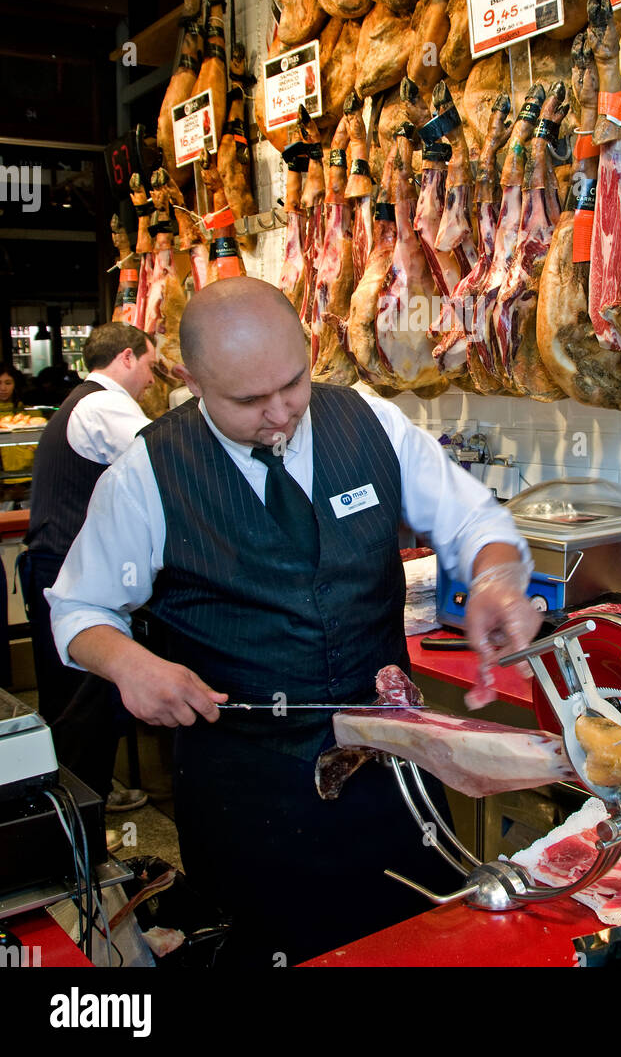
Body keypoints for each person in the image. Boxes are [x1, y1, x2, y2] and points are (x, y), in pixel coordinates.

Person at [47, 278, 541, 965]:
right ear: (189, 379)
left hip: (391, 777)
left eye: (292, 383)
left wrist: (492, 577)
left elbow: (472, 518)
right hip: (248, 793)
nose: (280, 414)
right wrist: (128, 661)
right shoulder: (147, 471)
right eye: (248, 401)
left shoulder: (367, 420)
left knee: (420, 945)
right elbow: (79, 606)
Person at [22, 322, 157, 806]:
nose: (151, 379)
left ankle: (79, 805)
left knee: (72, 701)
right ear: (125, 357)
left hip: (52, 565)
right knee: (82, 705)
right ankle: (80, 819)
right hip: (68, 571)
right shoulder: (105, 404)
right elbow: (164, 463)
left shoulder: (82, 400)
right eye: (149, 365)